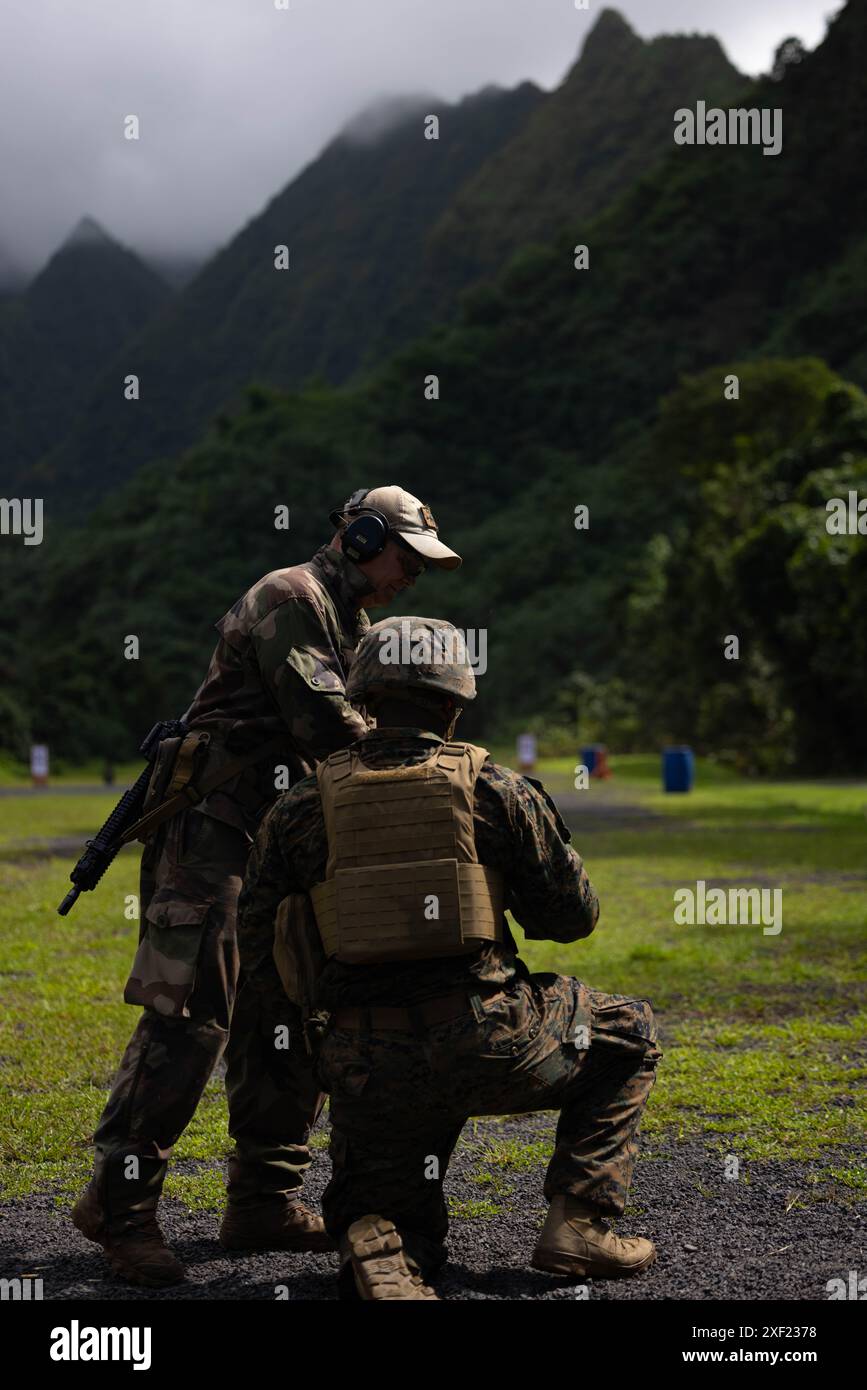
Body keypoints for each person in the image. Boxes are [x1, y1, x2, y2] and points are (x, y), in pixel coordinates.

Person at [72, 489, 461, 1289]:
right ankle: (120, 1207)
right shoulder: (290, 597)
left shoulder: (348, 622)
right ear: (360, 538)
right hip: (211, 834)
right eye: (403, 558)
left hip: (276, 839)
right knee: (190, 1019)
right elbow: (331, 728)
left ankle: (263, 1199)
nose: (409, 577)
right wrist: (423, 778)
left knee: (282, 1012)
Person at [237, 616, 662, 1301]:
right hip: (492, 1041)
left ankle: (384, 1249)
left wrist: (321, 1049)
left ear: (364, 699)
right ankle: (578, 1221)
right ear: (452, 702)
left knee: (394, 1209)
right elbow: (570, 919)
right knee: (628, 1033)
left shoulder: (298, 807)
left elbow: (258, 954)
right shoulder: (495, 790)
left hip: (366, 1059)